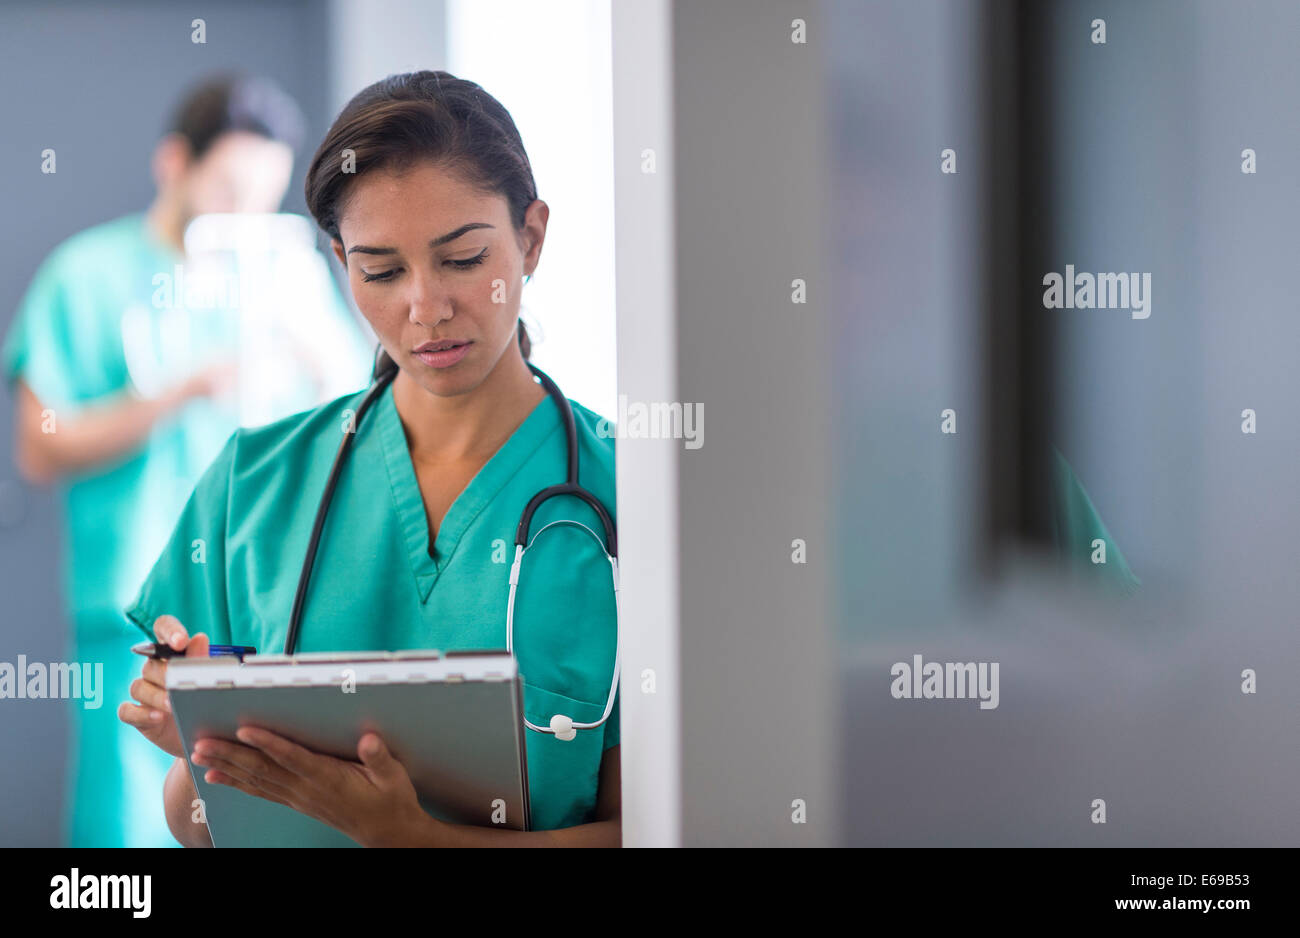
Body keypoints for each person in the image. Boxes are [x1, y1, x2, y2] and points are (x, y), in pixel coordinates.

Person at [119, 71, 621, 846]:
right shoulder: (253, 487)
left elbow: (669, 826)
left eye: (461, 259)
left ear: (531, 238)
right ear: (338, 261)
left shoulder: (635, 495)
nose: (425, 307)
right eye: (381, 271)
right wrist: (210, 749)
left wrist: (414, 839)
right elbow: (195, 823)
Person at [4, 74, 371, 847]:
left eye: (264, 196)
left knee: (249, 818)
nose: (244, 213)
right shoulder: (89, 275)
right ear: (175, 164)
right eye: (228, 186)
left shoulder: (283, 280)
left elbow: (359, 413)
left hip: (261, 613)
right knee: (128, 835)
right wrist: (176, 395)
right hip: (133, 612)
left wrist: (311, 348)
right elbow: (39, 443)